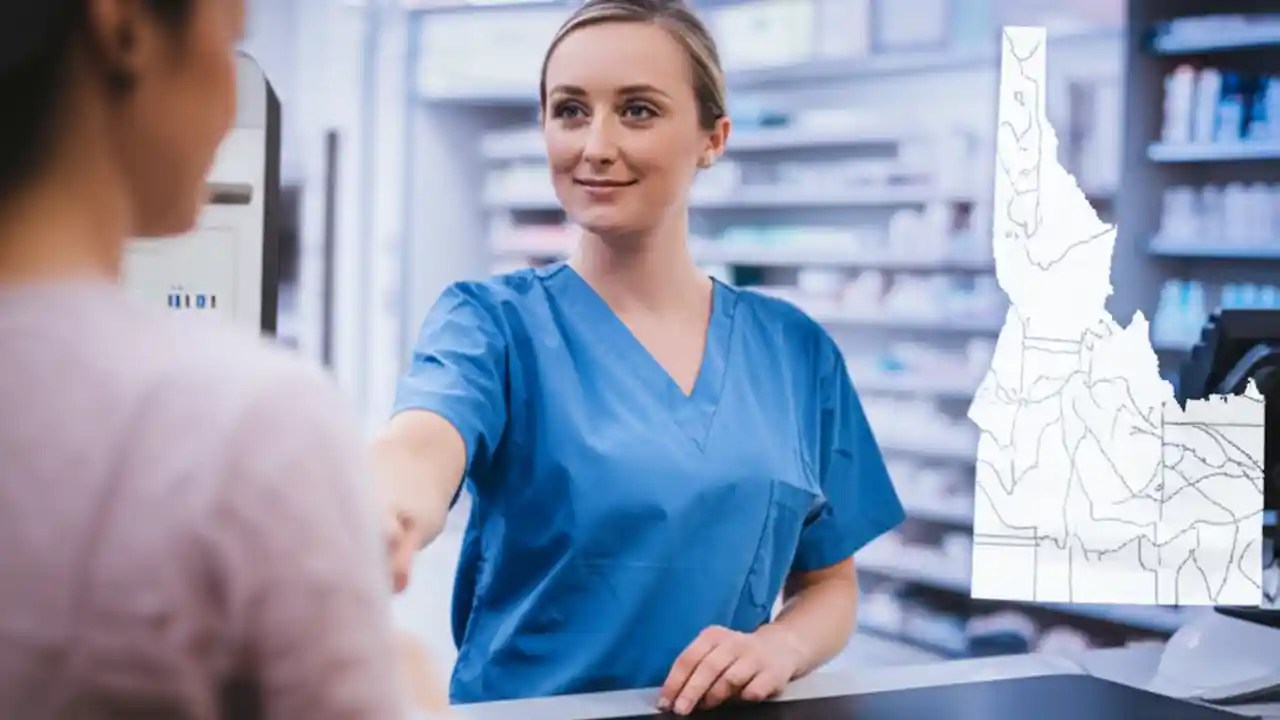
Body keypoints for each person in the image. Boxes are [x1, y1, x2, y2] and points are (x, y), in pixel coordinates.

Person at [375, 0, 906, 713]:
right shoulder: (492, 324)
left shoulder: (796, 351)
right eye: (569, 110)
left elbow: (828, 584)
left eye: (637, 111)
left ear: (713, 138)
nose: (594, 144)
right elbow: (419, 443)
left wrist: (779, 647)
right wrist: (381, 507)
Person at [0, 1, 446, 717]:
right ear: (125, 32)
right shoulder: (246, 418)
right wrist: (403, 672)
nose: (236, 95)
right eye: (232, 39)